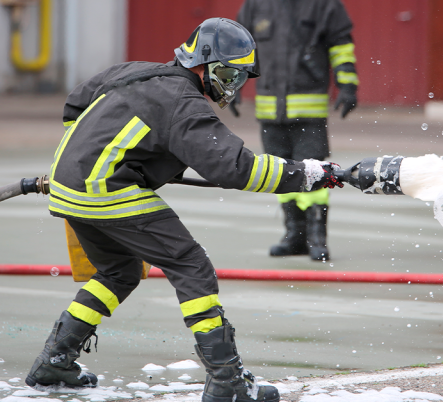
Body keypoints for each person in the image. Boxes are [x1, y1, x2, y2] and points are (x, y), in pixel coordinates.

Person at [25, 18, 342, 402]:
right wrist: (309, 173)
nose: (231, 85)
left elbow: (75, 106)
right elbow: (236, 168)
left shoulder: (134, 71)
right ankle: (228, 381)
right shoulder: (183, 104)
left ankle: (54, 362)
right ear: (203, 61)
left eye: (239, 78)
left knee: (118, 271)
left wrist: (125, 156)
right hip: (105, 190)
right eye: (229, 73)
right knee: (191, 266)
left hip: (67, 185)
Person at [235, 0, 359, 262]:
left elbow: (341, 46)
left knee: (315, 171)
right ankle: (295, 236)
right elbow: (238, 48)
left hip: (309, 110)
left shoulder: (324, 5)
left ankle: (317, 238)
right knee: (281, 174)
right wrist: (232, 86)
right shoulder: (256, 6)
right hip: (270, 110)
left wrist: (347, 84)